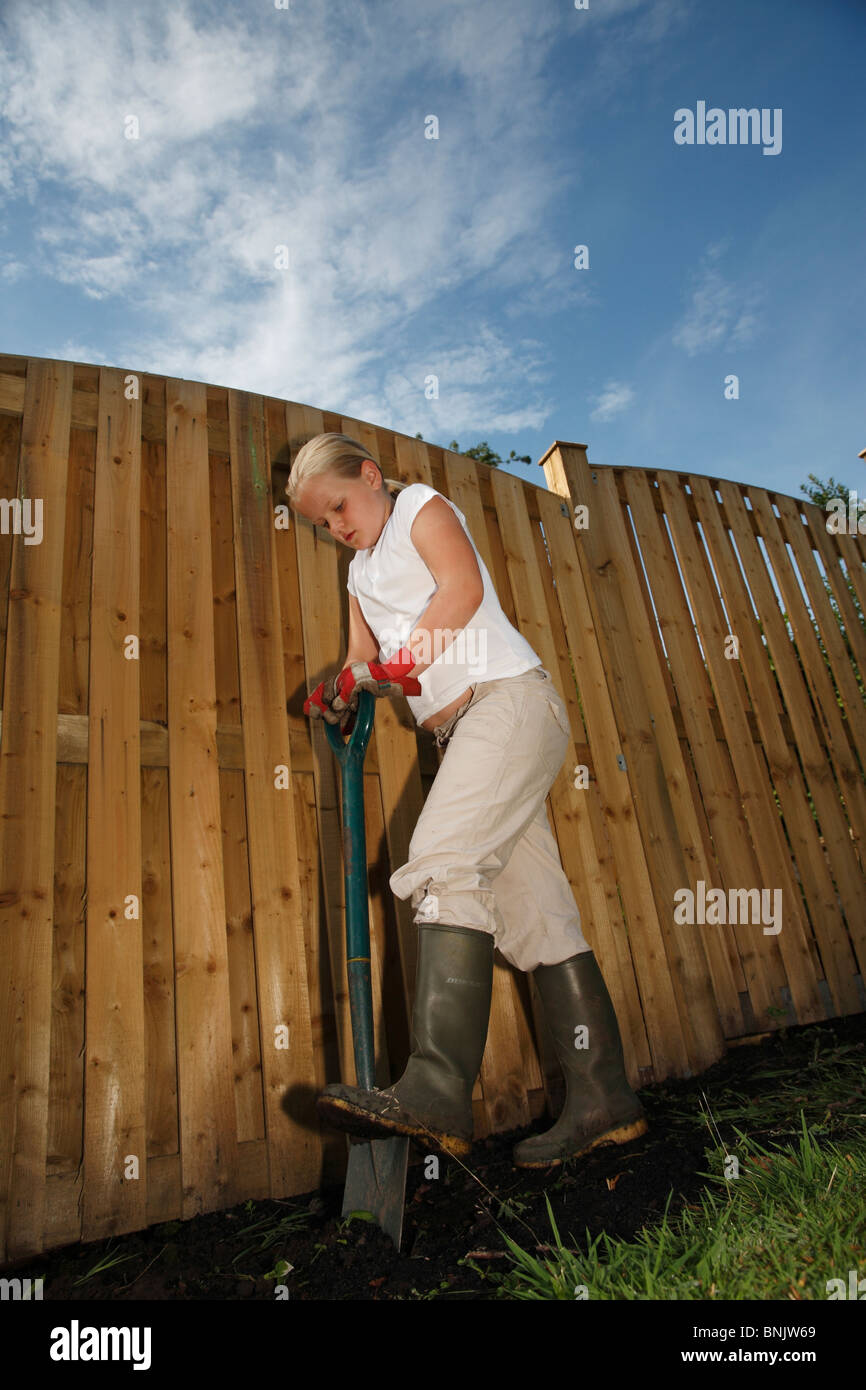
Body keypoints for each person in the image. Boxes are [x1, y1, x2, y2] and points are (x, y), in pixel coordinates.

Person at [286, 433, 647, 1166]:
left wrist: (390, 667)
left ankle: (437, 1088)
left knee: (443, 861)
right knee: (540, 920)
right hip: (464, 737)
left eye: (339, 506)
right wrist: (339, 689)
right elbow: (362, 663)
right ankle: (606, 1101)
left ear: (371, 476)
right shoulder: (358, 576)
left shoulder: (419, 506)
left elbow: (461, 591)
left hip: (509, 704)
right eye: (322, 523)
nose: (337, 526)